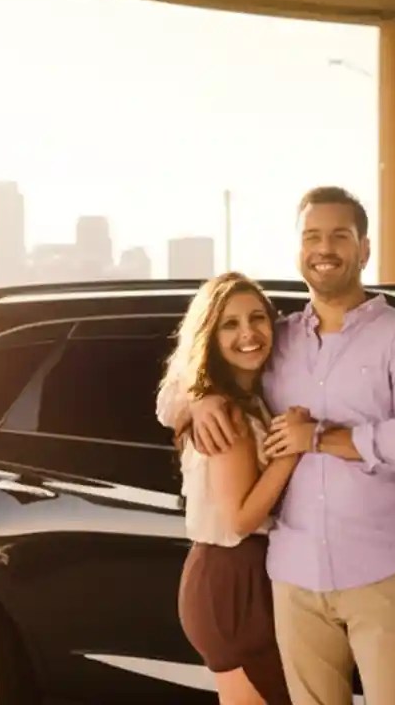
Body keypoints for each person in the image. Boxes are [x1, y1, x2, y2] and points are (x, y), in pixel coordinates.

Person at [172, 186, 395, 705]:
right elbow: (208, 363)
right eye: (312, 236)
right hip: (292, 577)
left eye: (339, 236)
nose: (325, 248)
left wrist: (321, 438)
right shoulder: (278, 338)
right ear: (299, 249)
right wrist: (197, 399)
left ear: (364, 249)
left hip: (384, 571)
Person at [155, 272, 297, 705]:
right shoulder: (227, 415)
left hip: (236, 576)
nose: (248, 333)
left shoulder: (238, 400)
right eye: (230, 324)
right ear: (210, 336)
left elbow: (168, 399)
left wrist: (195, 398)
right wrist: (292, 453)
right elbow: (238, 518)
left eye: (258, 318)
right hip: (232, 580)